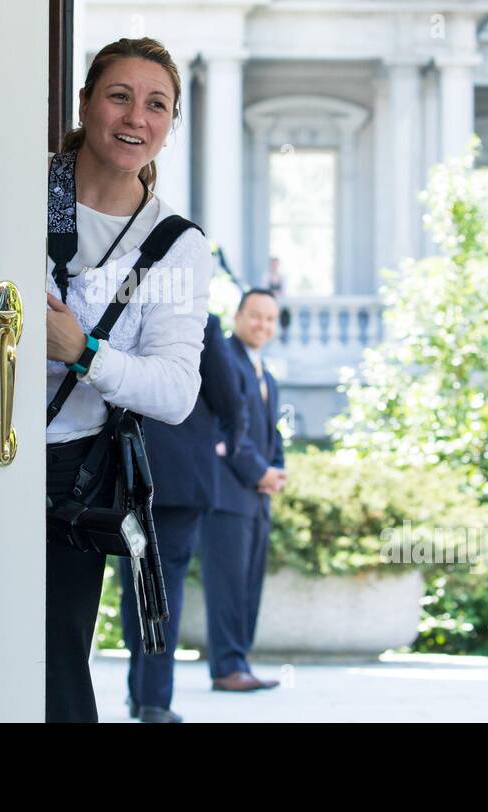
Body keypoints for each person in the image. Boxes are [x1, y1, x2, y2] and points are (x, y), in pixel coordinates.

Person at [44, 37, 212, 723]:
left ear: (170, 126)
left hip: (68, 482)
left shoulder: (174, 243)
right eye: (119, 95)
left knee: (53, 670)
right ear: (86, 102)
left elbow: (175, 392)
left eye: (156, 105)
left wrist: (84, 353)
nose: (135, 117)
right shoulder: (20, 192)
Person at [118, 312, 247, 722]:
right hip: (179, 478)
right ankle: (153, 700)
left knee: (134, 585)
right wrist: (223, 446)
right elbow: (230, 401)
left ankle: (142, 695)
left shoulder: (120, 313)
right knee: (163, 586)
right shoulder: (199, 321)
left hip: (124, 473)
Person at [200, 288, 286, 692]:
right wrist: (258, 472)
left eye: (270, 319)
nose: (262, 325)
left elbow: (272, 434)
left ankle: (240, 661)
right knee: (228, 584)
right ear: (238, 317)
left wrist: (277, 471)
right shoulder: (225, 359)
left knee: (249, 582)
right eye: (255, 316)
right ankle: (227, 667)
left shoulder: (266, 373)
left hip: (256, 497)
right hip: (228, 493)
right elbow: (226, 425)